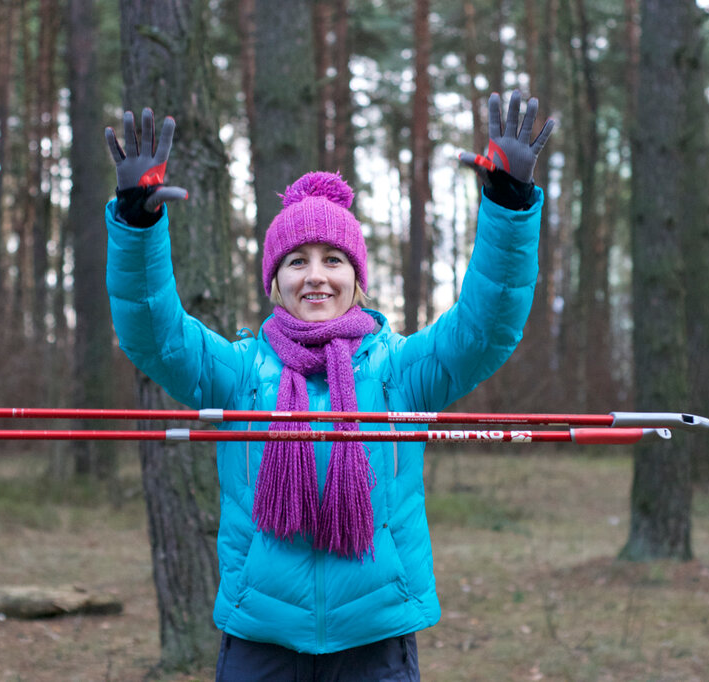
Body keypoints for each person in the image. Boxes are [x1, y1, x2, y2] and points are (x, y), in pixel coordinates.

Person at [103, 91, 554, 681]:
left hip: (375, 637)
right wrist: (138, 226)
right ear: (275, 281)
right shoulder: (240, 374)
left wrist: (508, 206)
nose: (315, 276)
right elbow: (154, 334)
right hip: (261, 638)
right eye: (297, 261)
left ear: (357, 278)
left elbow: (486, 328)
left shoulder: (399, 370)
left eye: (333, 259)